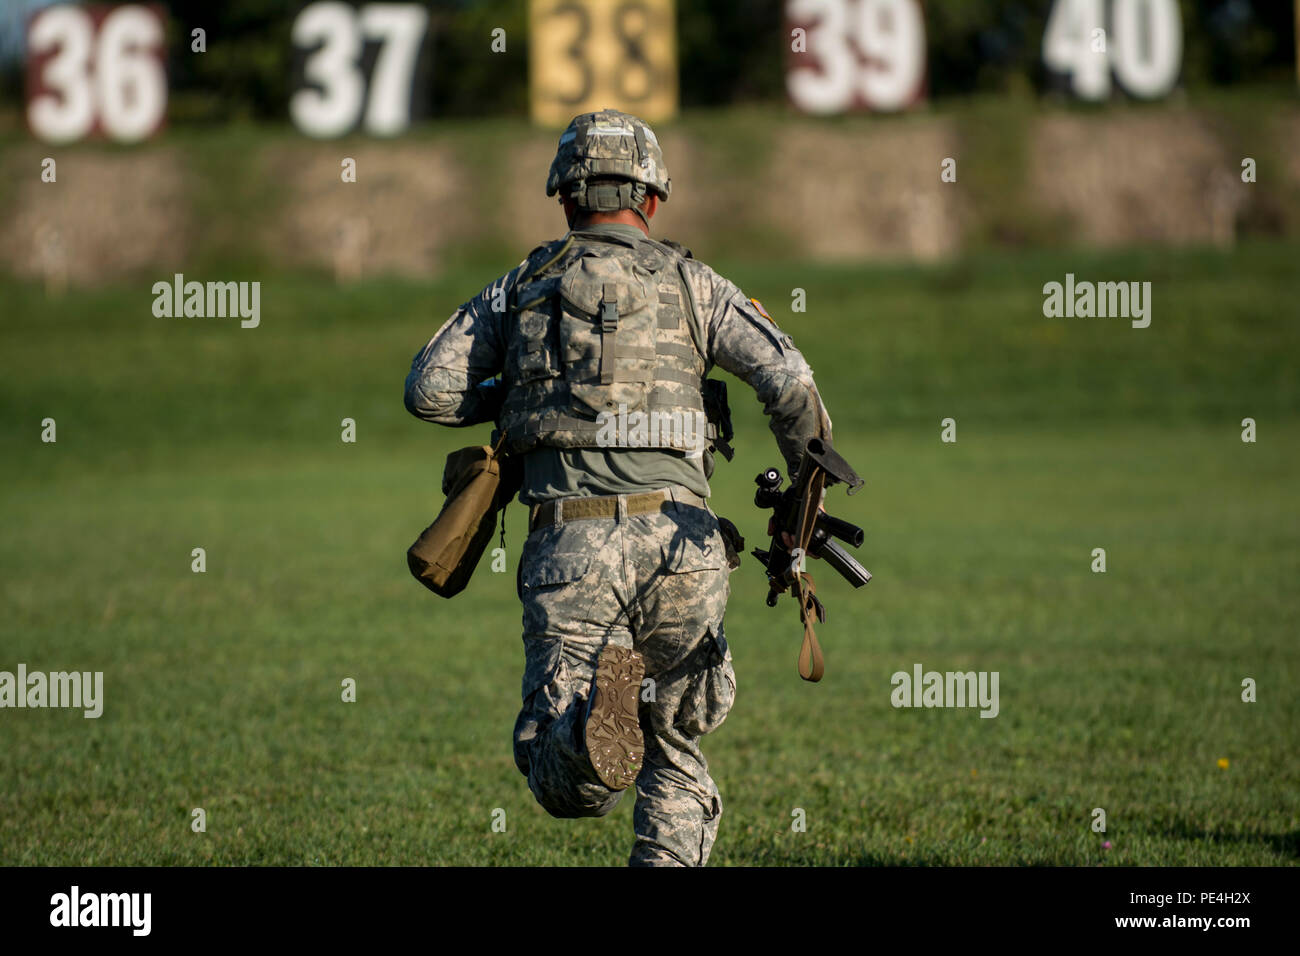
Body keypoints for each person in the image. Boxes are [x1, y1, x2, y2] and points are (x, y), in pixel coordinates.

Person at [404, 108, 834, 866]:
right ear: (653, 199)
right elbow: (789, 380)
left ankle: (586, 733)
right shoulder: (697, 284)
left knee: (555, 762)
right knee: (674, 746)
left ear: (565, 198)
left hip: (570, 547)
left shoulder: (522, 287)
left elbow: (430, 390)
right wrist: (805, 498)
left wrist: (526, 395)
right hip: (686, 546)